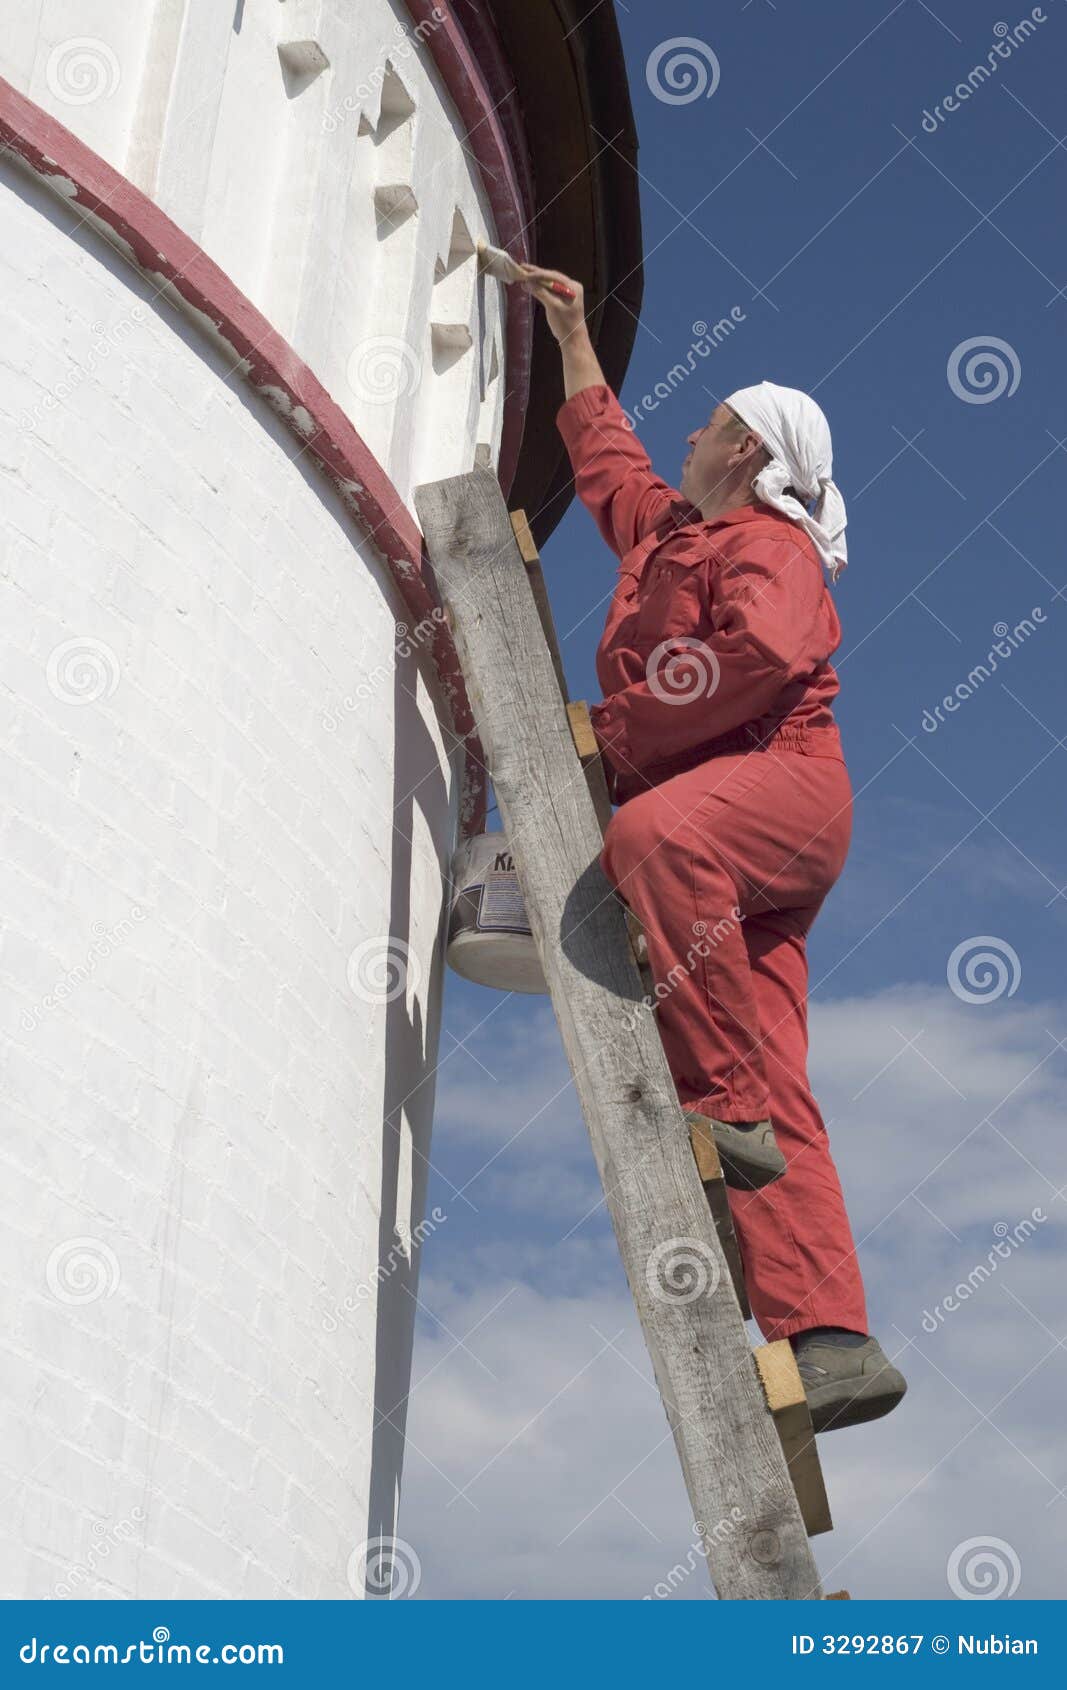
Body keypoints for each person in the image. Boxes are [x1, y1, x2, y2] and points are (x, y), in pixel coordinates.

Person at [520, 263, 906, 1433]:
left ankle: (722, 1107)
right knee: (777, 1076)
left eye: (705, 423)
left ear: (744, 451)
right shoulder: (674, 537)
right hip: (737, 832)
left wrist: (616, 737)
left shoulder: (767, 545)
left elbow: (760, 656)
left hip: (778, 790)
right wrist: (571, 336)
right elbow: (612, 472)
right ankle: (831, 1340)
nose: (684, 436)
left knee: (650, 833)